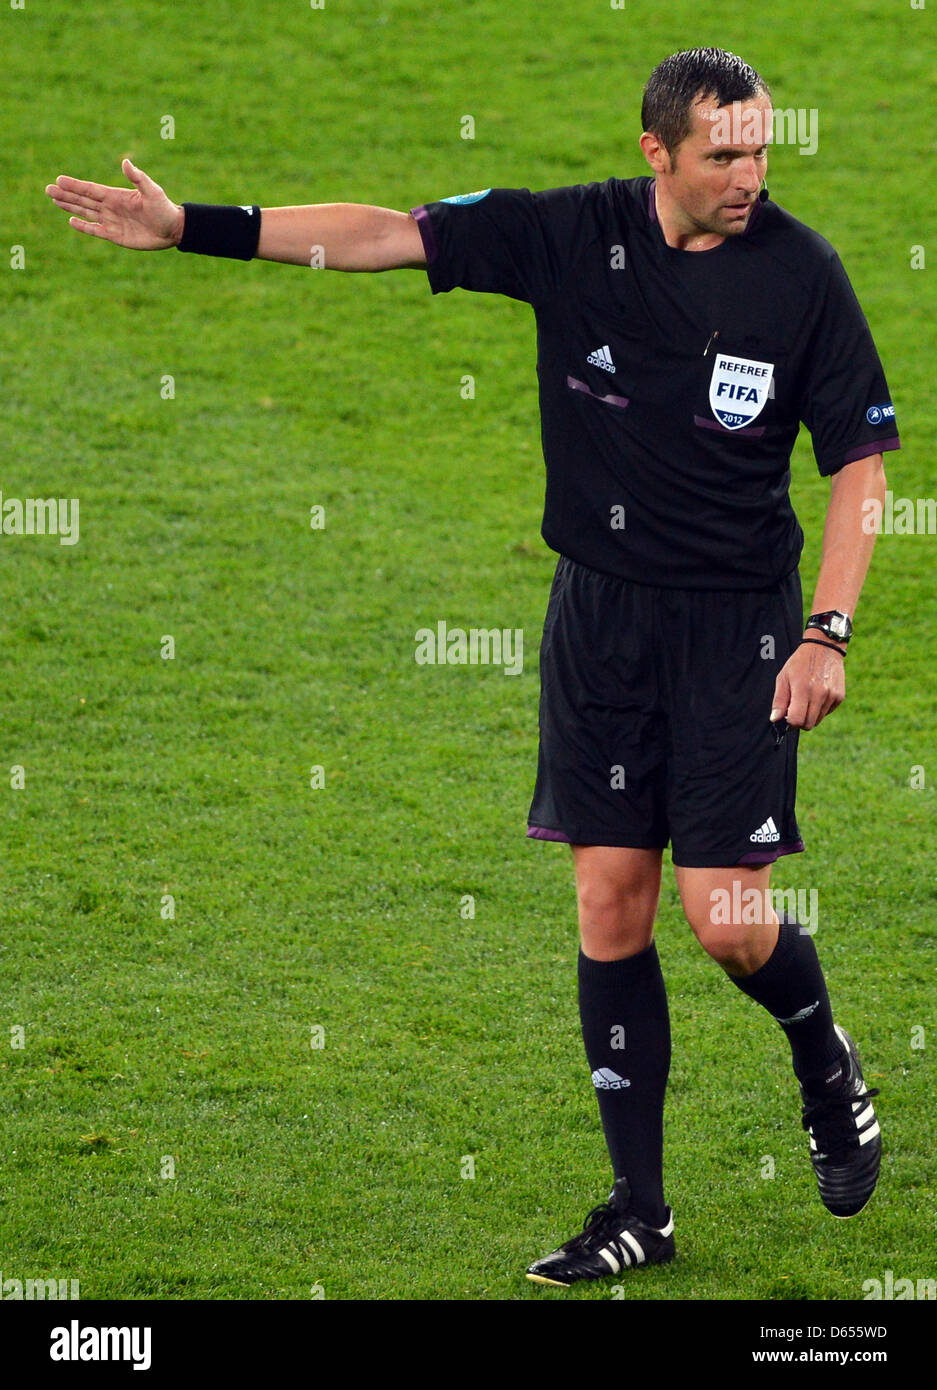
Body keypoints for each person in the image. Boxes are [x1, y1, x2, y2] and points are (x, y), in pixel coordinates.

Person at [45, 46, 898, 1290]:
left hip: (739, 631)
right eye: (724, 153)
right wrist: (191, 230)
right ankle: (639, 1211)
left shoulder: (800, 275)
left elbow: (859, 468)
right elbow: (387, 235)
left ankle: (824, 1065)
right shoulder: (569, 235)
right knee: (610, 901)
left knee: (724, 918)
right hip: (599, 624)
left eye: (761, 147)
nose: (749, 173)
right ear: (655, 153)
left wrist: (827, 631)